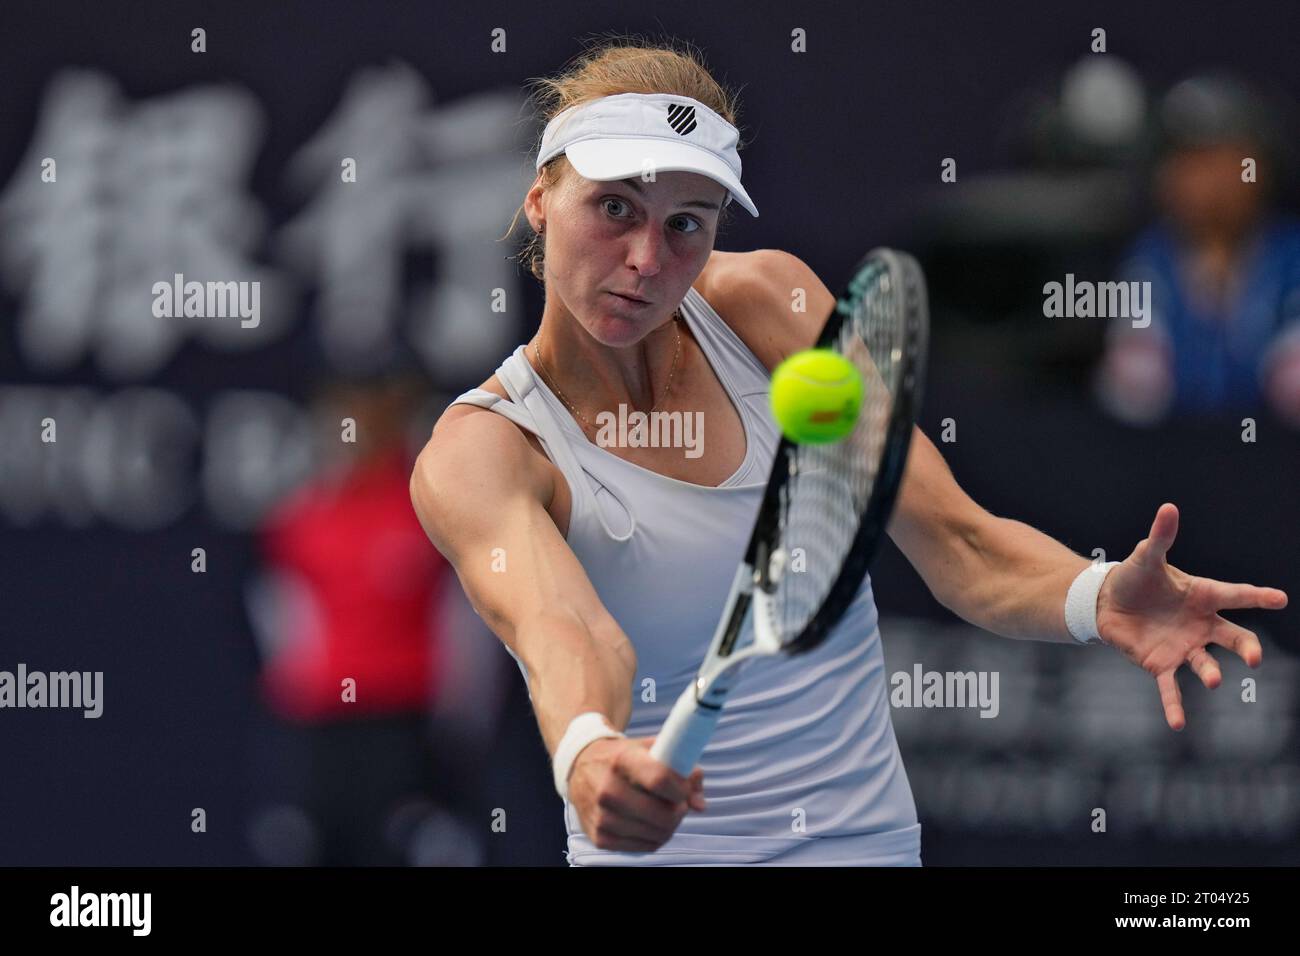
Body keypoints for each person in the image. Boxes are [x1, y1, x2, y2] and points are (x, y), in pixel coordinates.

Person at [409, 40, 1289, 866]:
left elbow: (962, 543)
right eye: (614, 208)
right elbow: (566, 627)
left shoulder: (770, 304)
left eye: (687, 222)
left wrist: (1096, 596)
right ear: (538, 201)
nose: (646, 258)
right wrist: (590, 750)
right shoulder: (484, 448)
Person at [1096, 74, 1300, 426]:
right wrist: (1136, 364)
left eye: (1231, 162)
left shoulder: (1289, 255)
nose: (1214, 183)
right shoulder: (1152, 260)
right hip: (1171, 456)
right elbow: (1132, 381)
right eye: (1194, 165)